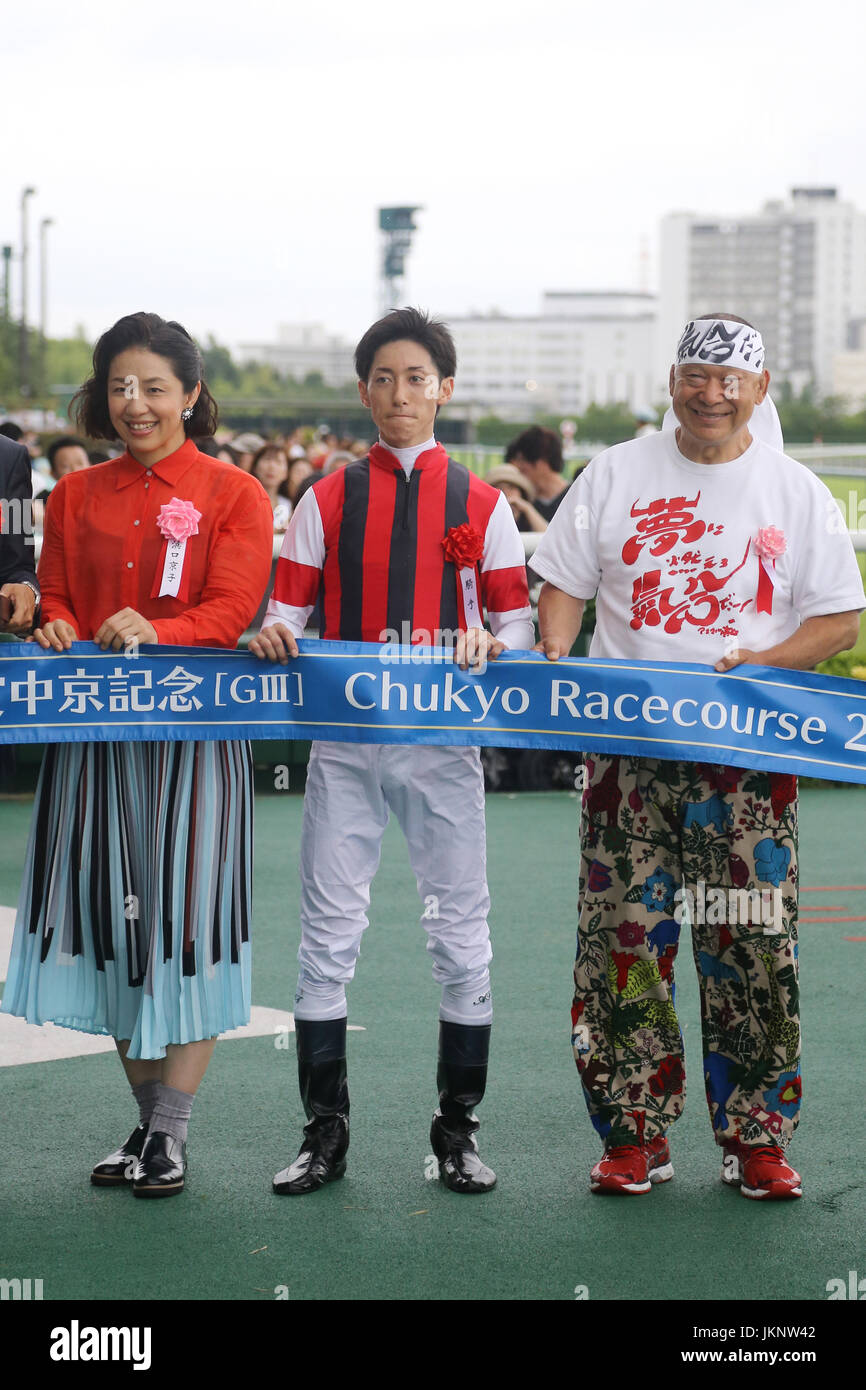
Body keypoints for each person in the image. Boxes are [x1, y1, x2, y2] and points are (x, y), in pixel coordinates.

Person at [530, 313, 866, 1201]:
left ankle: (756, 1136)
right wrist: (557, 655)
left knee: (751, 938)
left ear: (758, 390)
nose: (710, 394)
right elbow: (562, 581)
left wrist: (768, 661)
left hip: (745, 764)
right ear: (672, 380)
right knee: (623, 943)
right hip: (625, 759)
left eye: (730, 381)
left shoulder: (794, 491)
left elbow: (839, 616)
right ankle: (633, 1134)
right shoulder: (617, 471)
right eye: (695, 376)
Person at [250, 307, 533, 1197]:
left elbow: (519, 631)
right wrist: (270, 636)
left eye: (417, 378)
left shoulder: (483, 504)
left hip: (442, 750)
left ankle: (457, 1131)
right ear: (363, 389)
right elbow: (284, 616)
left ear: (444, 389)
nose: (400, 393)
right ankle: (323, 1133)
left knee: (462, 932)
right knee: (327, 936)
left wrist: (492, 642)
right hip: (344, 747)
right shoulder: (324, 497)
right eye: (383, 378)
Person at [0, 312, 273, 1198]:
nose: (135, 403)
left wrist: (155, 630)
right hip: (93, 745)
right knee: (110, 928)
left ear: (192, 395)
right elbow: (59, 596)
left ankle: (171, 1132)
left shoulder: (236, 493)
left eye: (155, 387)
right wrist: (58, 623)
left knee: (185, 927)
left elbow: (232, 612)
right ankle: (151, 1128)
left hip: (193, 746)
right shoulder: (73, 494)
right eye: (120, 386)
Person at [505, 426, 569, 521]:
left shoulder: (574, 498)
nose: (518, 470)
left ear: (541, 462)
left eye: (522, 461)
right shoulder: (521, 501)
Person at [485, 462, 548, 533]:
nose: (505, 492)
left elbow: (546, 536)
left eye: (511, 487)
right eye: (499, 487)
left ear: (521, 493)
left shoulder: (528, 517)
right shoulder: (485, 517)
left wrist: (527, 508)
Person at [250, 442, 292, 531]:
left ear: (286, 473)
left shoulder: (288, 505)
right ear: (255, 467)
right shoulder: (247, 502)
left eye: (278, 462)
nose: (272, 466)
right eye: (267, 459)